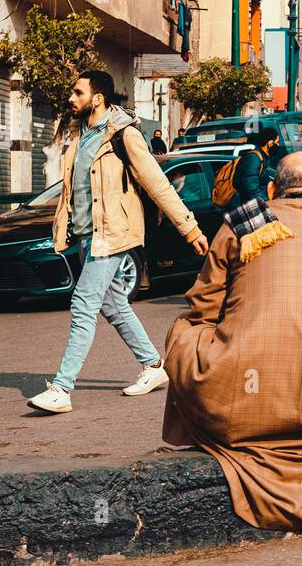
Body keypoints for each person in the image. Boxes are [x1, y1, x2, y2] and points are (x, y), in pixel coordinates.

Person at [161, 151, 302, 532]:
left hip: (249, 390)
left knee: (184, 331)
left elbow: (204, 305)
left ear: (272, 189)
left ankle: (216, 428)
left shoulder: (244, 224)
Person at [28, 71, 209, 415]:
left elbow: (158, 183)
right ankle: (155, 365)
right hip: (87, 235)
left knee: (83, 303)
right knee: (112, 305)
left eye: (78, 92)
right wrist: (62, 230)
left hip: (112, 233)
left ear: (97, 98)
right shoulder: (80, 136)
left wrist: (190, 229)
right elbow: (71, 192)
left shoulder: (123, 135)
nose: (71, 98)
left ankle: (62, 388)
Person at [229, 125, 282, 210]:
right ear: (270, 143)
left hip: (253, 205)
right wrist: (266, 204)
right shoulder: (253, 158)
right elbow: (251, 188)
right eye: (277, 142)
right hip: (246, 208)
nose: (278, 145)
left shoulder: (262, 157)